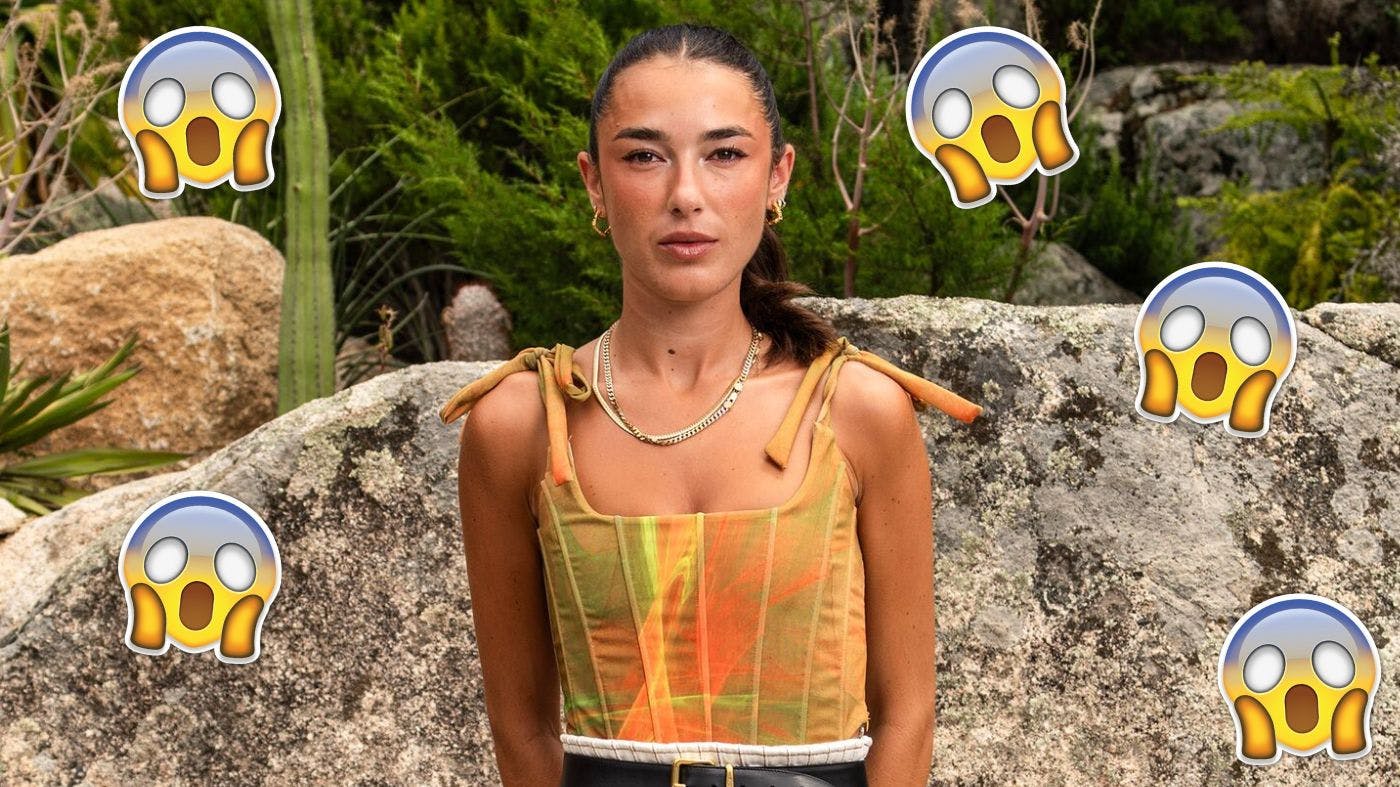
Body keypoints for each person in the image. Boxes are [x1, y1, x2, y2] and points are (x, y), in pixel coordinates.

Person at [439, 23, 981, 787]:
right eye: (644, 156)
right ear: (594, 182)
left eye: (725, 154)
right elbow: (521, 728)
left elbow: (908, 714)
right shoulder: (521, 423)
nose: (685, 195)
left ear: (778, 176)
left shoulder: (859, 410)